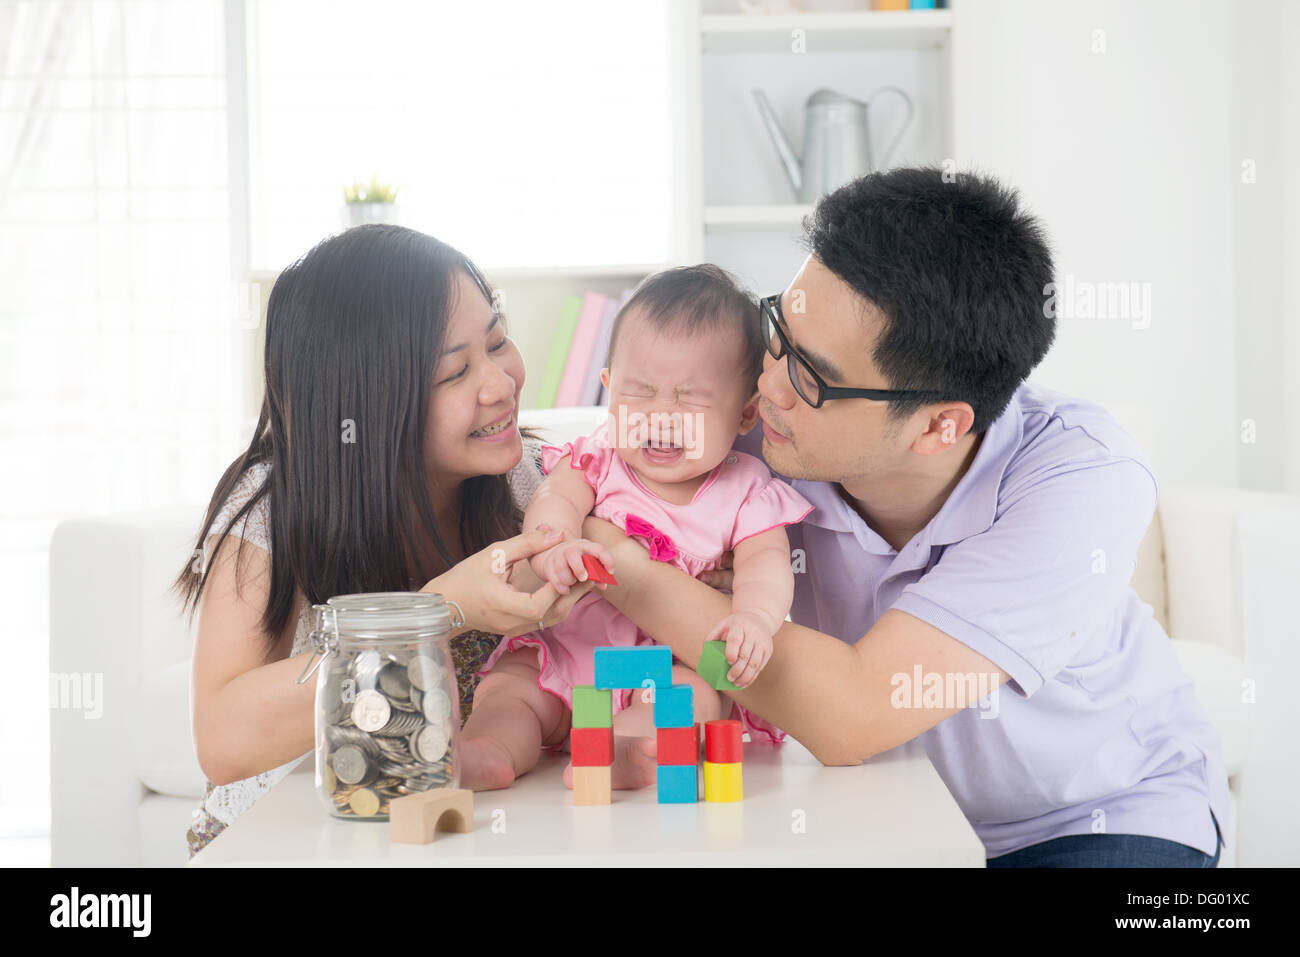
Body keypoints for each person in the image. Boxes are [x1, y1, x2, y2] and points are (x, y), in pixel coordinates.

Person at [579, 168, 1229, 868]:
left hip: (1100, 818)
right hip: (898, 814)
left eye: (810, 374)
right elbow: (574, 472)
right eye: (778, 331)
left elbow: (851, 712)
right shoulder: (758, 433)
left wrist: (627, 572)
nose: (766, 385)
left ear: (938, 426)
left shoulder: (1081, 475)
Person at [172, 225, 600, 858]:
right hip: (290, 836)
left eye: (498, 340)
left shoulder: (532, 483)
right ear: (367, 407)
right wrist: (435, 613)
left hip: (448, 829)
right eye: (455, 372)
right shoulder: (274, 507)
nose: (501, 382)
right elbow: (223, 740)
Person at [460, 266, 812, 791]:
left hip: (666, 664)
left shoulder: (747, 490)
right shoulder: (597, 459)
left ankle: (625, 752)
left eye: (691, 398)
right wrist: (555, 546)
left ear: (745, 414)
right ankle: (489, 751)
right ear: (607, 390)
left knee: (694, 697)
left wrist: (755, 619)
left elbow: (766, 564)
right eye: (639, 392)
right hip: (568, 650)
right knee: (512, 690)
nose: (661, 416)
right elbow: (554, 499)